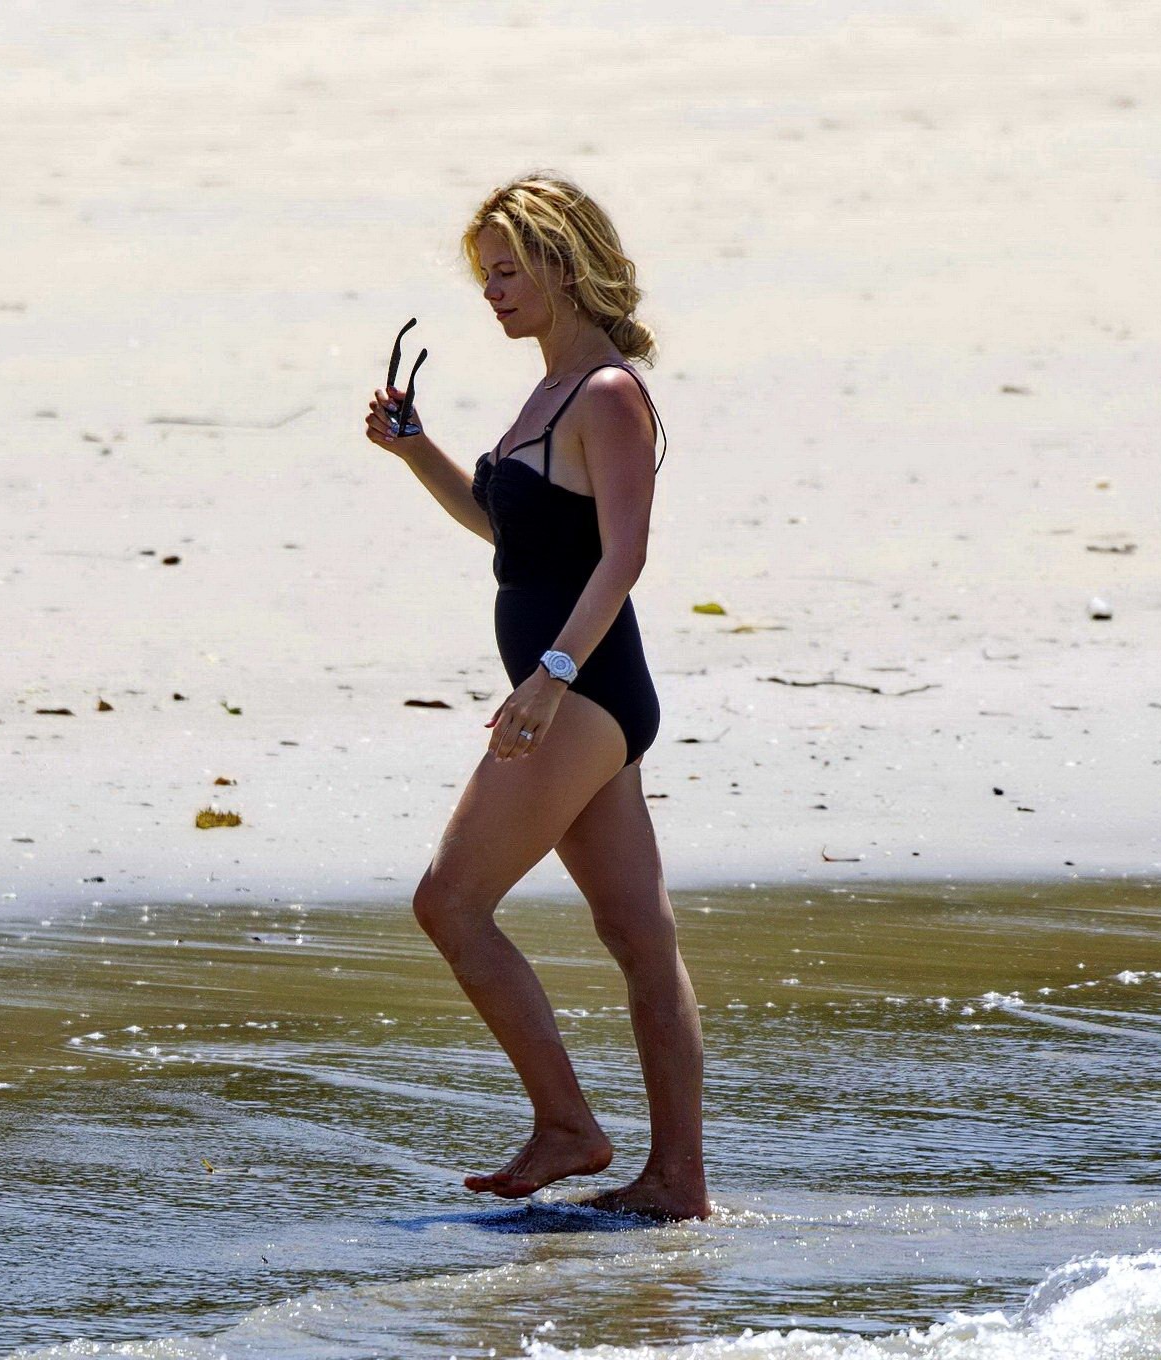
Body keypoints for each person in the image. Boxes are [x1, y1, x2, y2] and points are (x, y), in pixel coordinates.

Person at [364, 172, 711, 1221]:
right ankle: (676, 1183)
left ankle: (567, 1125)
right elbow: (508, 532)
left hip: (583, 688)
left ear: (564, 264)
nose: (493, 292)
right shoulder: (551, 389)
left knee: (449, 902)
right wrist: (416, 449)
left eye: (509, 271)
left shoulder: (605, 393)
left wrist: (550, 677)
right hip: (580, 690)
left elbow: (625, 555)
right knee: (639, 937)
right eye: (485, 275)